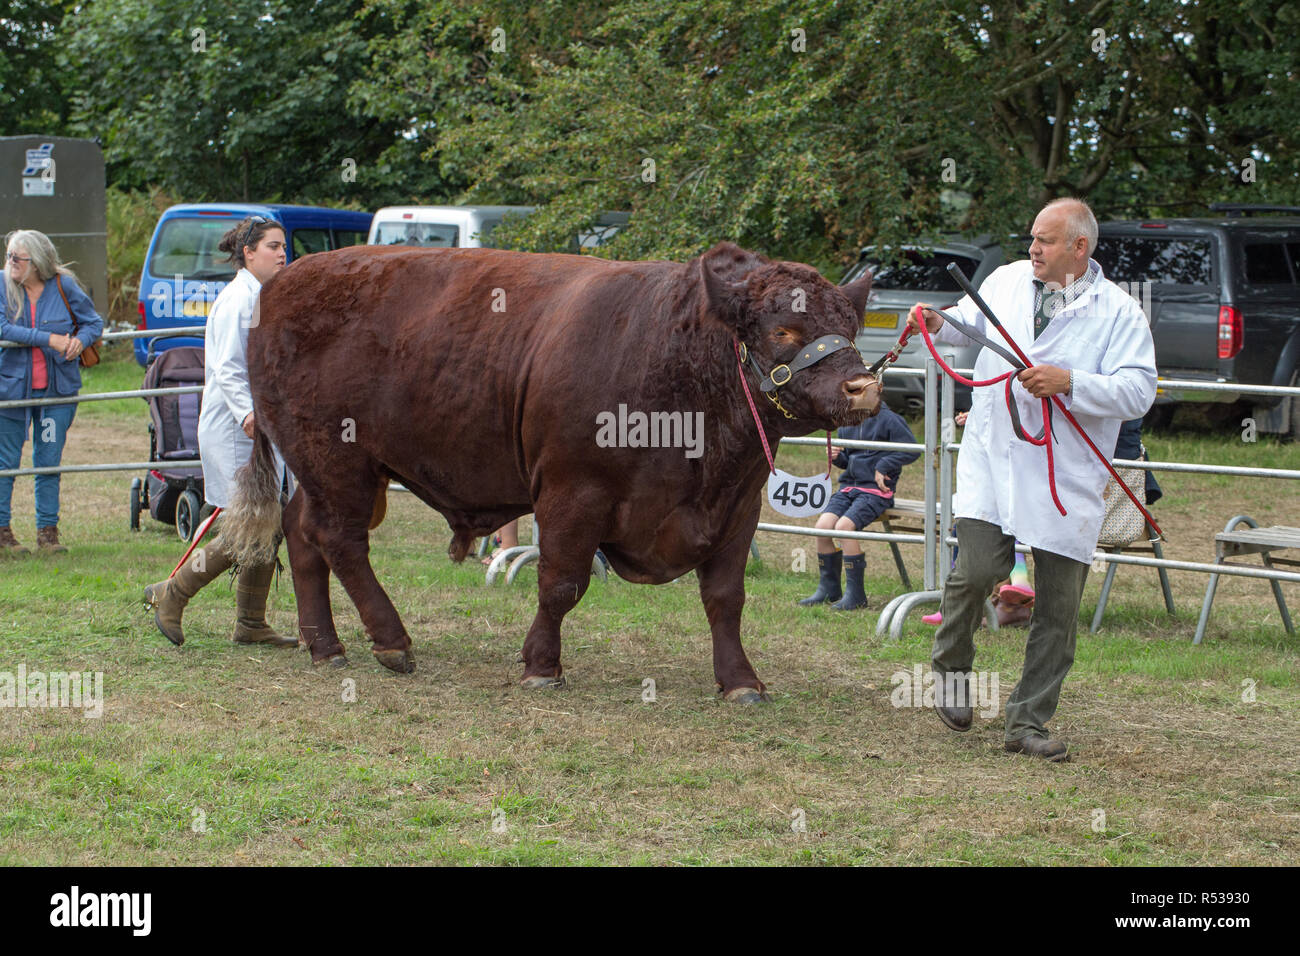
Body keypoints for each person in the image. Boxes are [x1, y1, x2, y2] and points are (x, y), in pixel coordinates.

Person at [908, 197, 1156, 762]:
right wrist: (936, 321)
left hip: (1064, 475)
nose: (1033, 249)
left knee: (1058, 607)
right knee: (976, 571)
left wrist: (1072, 382)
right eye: (1032, 238)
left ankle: (1028, 723)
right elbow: (965, 329)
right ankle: (950, 666)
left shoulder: (1119, 312)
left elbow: (1139, 389)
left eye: (1044, 240)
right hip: (994, 456)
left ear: (1079, 247)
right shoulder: (1005, 280)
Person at [143, 216, 295, 648]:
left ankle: (250, 622)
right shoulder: (238, 299)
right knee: (250, 523)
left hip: (256, 428)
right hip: (236, 428)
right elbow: (228, 367)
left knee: (269, 521)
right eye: (273, 246)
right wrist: (248, 413)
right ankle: (173, 593)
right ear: (248, 253)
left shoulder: (261, 296)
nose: (282, 253)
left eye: (284, 246)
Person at [0, 230, 103, 555]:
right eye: (9, 255)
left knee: (48, 462)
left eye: (18, 257)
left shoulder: (63, 285)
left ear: (38, 262)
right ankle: (3, 535)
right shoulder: (2, 285)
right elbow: (2, 327)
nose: (11, 262)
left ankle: (48, 535)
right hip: (11, 392)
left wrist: (79, 341)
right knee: (6, 463)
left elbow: (93, 323)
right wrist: (51, 339)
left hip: (56, 392)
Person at [798, 399, 918, 610]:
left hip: (876, 491)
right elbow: (849, 460)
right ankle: (829, 589)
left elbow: (911, 450)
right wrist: (837, 457)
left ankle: (856, 596)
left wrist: (884, 465)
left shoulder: (890, 420)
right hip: (848, 487)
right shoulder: (848, 421)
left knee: (844, 528)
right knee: (822, 527)